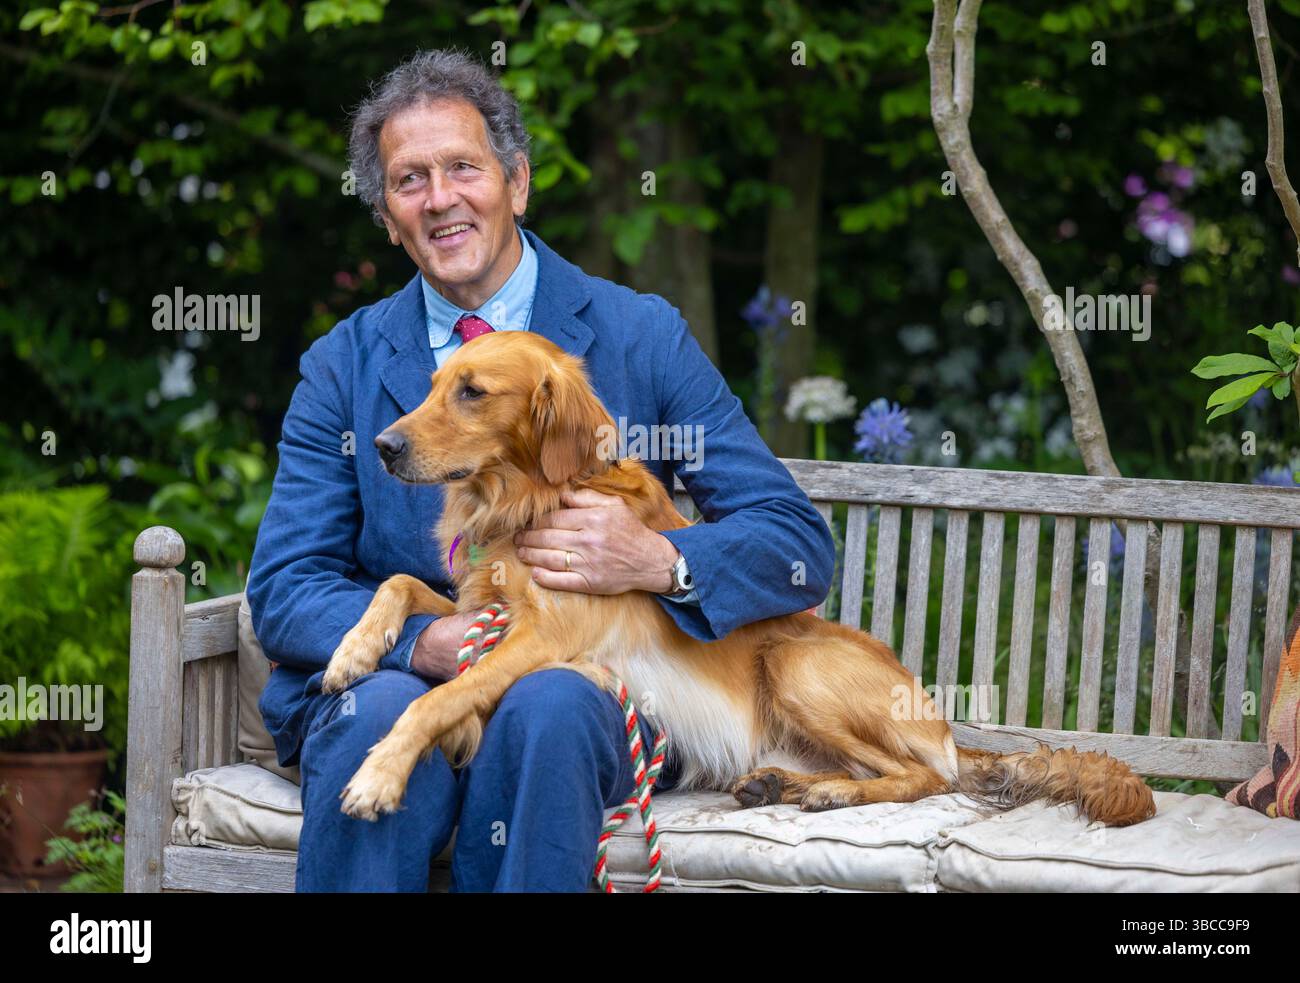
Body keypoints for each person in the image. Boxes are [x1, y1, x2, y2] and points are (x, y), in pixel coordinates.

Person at [245, 47, 833, 892]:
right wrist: (423, 640)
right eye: (410, 180)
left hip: (593, 692)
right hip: (394, 680)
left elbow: (797, 543)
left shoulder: (640, 336)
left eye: (462, 167)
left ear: (516, 182)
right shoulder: (342, 366)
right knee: (377, 706)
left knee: (549, 703)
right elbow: (288, 585)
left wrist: (660, 561)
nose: (440, 198)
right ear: (386, 217)